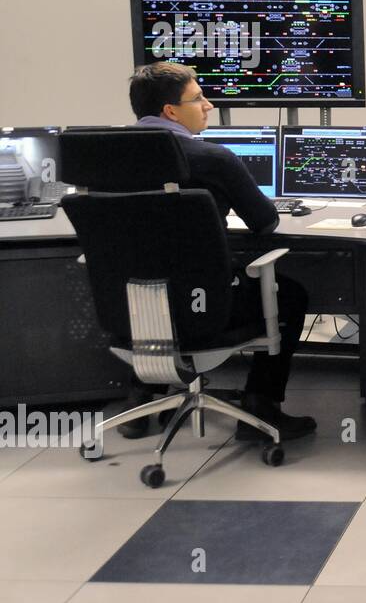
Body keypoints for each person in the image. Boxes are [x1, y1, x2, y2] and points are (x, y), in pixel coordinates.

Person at [125, 61, 316, 442]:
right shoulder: (211, 159)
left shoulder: (103, 157)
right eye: (198, 99)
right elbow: (264, 222)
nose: (208, 105)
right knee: (291, 294)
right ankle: (260, 408)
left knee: (153, 279)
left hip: (130, 306)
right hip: (205, 307)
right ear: (170, 111)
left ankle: (139, 399)